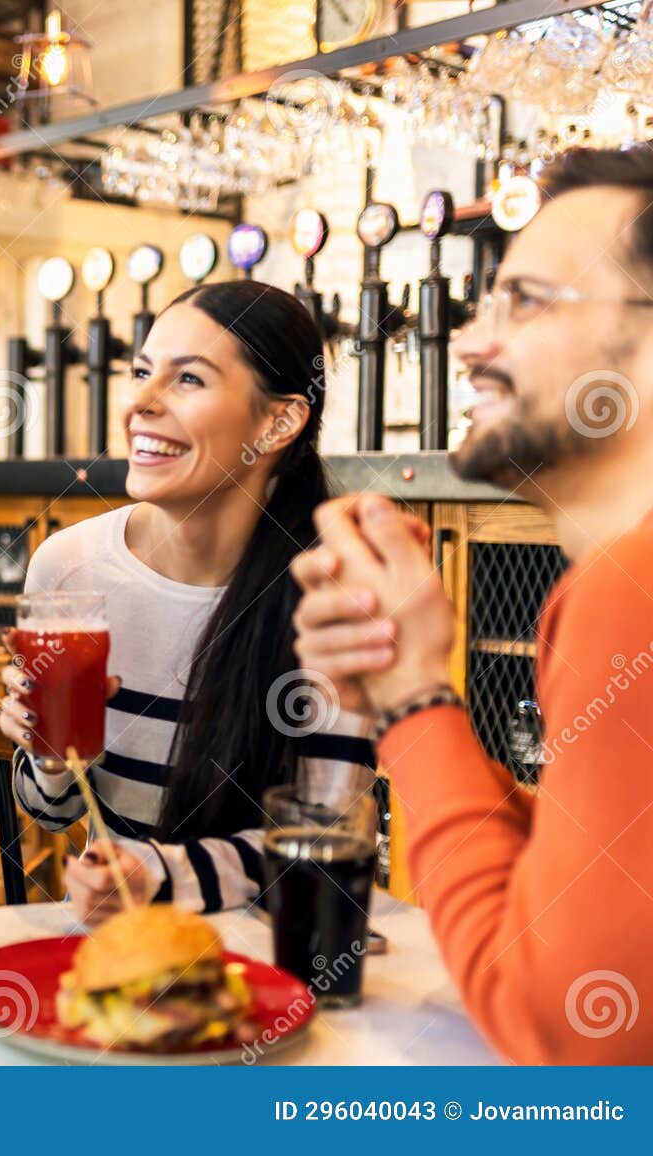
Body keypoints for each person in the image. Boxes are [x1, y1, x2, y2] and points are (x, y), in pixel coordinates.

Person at [291, 147, 653, 1064]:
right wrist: (403, 700)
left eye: (524, 302)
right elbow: (588, 893)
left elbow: (569, 1035)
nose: (468, 345)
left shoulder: (629, 589)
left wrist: (413, 700)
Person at [0, 280, 374, 923]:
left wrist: (157, 876)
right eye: (141, 372)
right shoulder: (69, 567)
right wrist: (50, 752)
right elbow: (48, 810)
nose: (140, 403)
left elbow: (327, 838)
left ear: (279, 421)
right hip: (117, 943)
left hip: (276, 944)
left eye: (188, 379)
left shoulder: (336, 589)